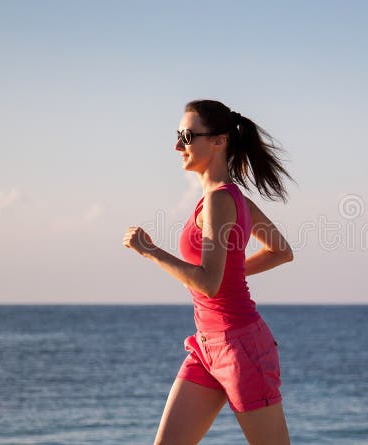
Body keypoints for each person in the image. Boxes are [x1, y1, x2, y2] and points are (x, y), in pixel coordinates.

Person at [122, 99, 295, 444]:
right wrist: (233, 274)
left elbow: (209, 283)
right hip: (205, 348)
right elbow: (280, 252)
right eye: (178, 136)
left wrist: (151, 251)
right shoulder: (232, 199)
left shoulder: (221, 199)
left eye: (186, 136)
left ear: (218, 140)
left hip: (241, 349)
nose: (177, 146)